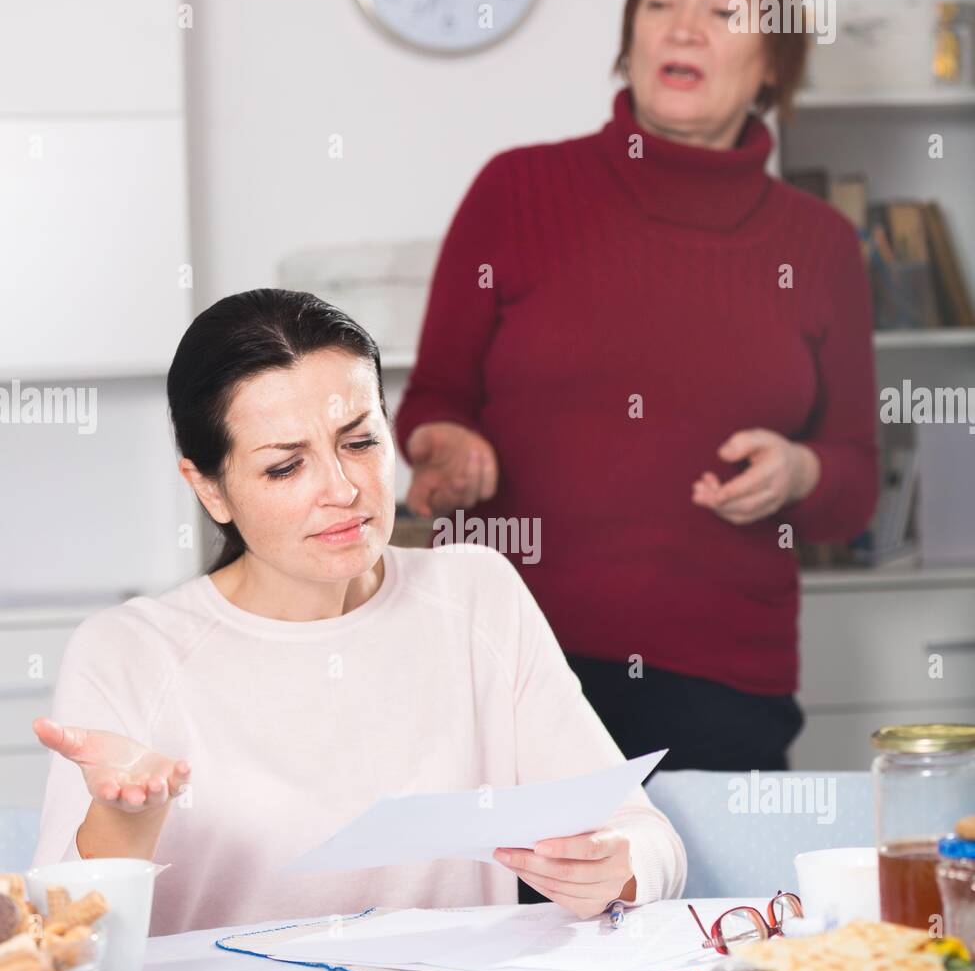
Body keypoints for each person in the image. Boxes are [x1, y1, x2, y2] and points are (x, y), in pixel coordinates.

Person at [31, 290, 686, 936]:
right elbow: (56, 940)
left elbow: (645, 838)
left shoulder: (475, 593)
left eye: (360, 442)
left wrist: (616, 869)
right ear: (209, 488)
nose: (343, 491)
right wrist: (123, 822)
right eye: (286, 467)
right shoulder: (128, 650)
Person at [396, 0, 878, 774]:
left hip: (721, 688)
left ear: (774, 64)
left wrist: (801, 473)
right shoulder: (517, 190)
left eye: (724, 11)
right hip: (510, 668)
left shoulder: (820, 244)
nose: (683, 27)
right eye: (659, 3)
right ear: (630, 42)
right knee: (507, 911)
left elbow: (854, 482)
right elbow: (434, 399)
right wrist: (448, 447)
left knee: (717, 916)